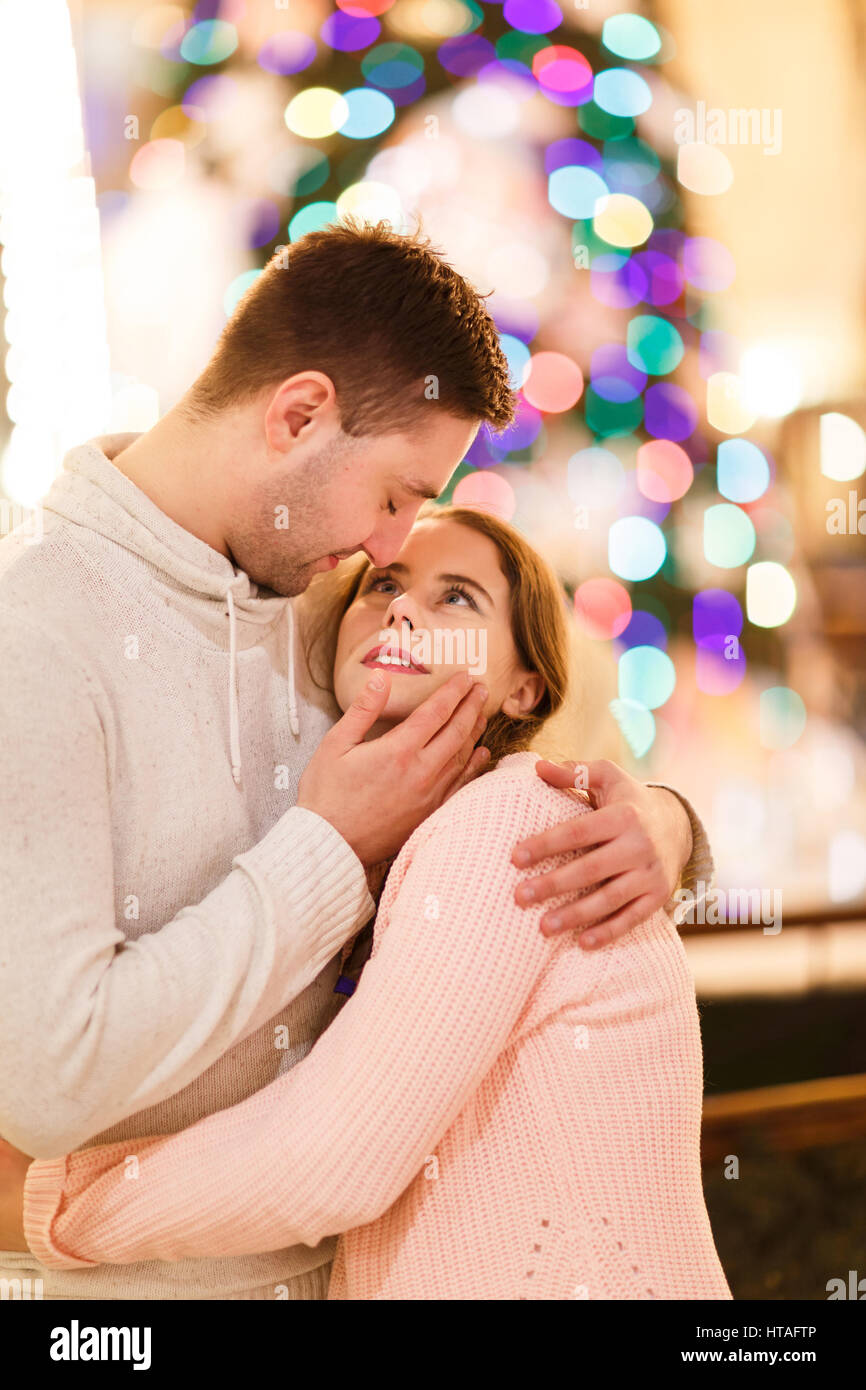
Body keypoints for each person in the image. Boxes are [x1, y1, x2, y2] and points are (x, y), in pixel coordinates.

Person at [0, 221, 705, 1300]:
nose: (392, 555)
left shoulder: (320, 604)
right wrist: (326, 851)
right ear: (297, 416)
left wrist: (666, 825)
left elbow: (523, 751)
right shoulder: (39, 634)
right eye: (393, 496)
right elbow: (52, 1080)